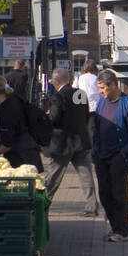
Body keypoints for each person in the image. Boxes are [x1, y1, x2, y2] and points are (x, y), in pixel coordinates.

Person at [91, 69, 128, 242]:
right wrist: (96, 149)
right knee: (105, 194)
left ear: (113, 85)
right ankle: (115, 226)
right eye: (99, 89)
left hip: (118, 156)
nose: (100, 92)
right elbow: (97, 128)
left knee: (118, 193)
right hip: (101, 155)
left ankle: (121, 230)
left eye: (103, 88)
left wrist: (123, 155)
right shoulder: (101, 103)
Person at [43, 67, 97, 214]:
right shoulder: (80, 94)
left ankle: (43, 204)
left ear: (55, 81)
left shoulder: (57, 97)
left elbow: (54, 119)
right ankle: (92, 206)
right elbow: (85, 116)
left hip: (63, 144)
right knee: (86, 175)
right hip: (80, 142)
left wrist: (46, 116)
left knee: (53, 177)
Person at [0, 75, 43, 171]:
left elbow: (8, 143)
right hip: (29, 150)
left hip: (22, 156)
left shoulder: (5, 110)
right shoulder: (14, 99)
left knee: (20, 183)